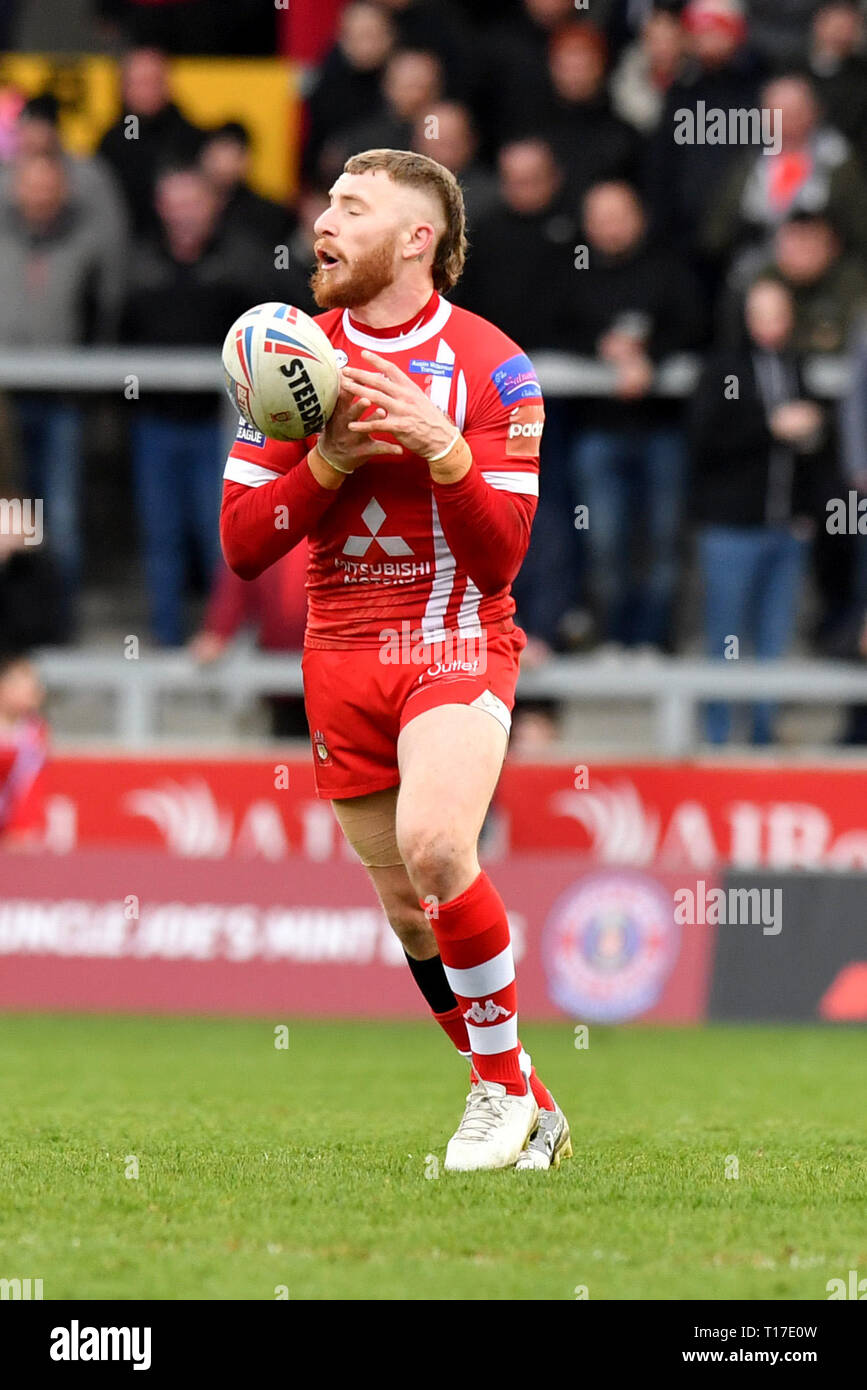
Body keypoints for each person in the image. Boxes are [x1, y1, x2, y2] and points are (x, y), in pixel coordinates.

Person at [220, 148, 570, 1172]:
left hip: (455, 637)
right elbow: (245, 543)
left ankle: (498, 1091)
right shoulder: (287, 353)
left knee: (435, 845)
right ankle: (533, 1100)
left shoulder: (497, 365)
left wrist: (443, 448)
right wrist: (331, 458)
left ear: (416, 239)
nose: (323, 221)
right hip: (339, 654)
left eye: (352, 206)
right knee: (416, 921)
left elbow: (503, 553)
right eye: (328, 201)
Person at [566, 181, 707, 651]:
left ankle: (652, 643)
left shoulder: (668, 268)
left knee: (664, 542)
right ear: (588, 223)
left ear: (639, 216)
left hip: (661, 430)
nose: (610, 226)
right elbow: (546, 324)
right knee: (604, 541)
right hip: (598, 431)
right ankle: (612, 640)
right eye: (599, 216)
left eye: (619, 214)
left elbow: (695, 326)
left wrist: (650, 357)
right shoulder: (575, 268)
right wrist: (598, 349)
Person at [688, 278, 829, 744]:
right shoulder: (722, 368)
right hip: (733, 529)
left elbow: (809, 449)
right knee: (725, 638)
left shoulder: (795, 366)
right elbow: (706, 441)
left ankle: (763, 740)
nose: (770, 324)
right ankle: (718, 739)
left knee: (775, 642)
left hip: (786, 527)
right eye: (761, 313)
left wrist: (807, 512)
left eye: (779, 313)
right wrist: (771, 428)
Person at [122, 166, 256, 646]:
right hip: (155, 423)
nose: (183, 215)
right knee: (162, 538)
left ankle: (223, 645)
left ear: (212, 205)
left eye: (192, 203)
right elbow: (119, 335)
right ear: (160, 208)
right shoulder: (139, 264)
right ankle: (166, 645)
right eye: (174, 203)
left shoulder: (238, 264)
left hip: (221, 427)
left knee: (220, 535)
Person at [0, 153, 126, 618]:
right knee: (12, 511)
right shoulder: (2, 235)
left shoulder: (86, 242)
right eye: (30, 184)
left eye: (47, 185)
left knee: (62, 514)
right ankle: (18, 623)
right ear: (17, 189)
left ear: (63, 191)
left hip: (63, 399)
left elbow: (103, 313)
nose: (38, 194)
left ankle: (59, 621)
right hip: (6, 402)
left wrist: (90, 381)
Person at [98, 48, 204, 234]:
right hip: (129, 240)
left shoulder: (190, 138)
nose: (147, 91)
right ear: (124, 88)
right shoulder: (114, 141)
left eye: (153, 82)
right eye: (139, 83)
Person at [199, 122, 294, 252]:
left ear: (246, 160)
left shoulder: (269, 215)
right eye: (218, 152)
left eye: (231, 154)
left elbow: (282, 259)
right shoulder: (187, 207)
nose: (222, 163)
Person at [0, 649, 49, 849]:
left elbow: (29, 784)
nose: (34, 692)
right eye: (23, 686)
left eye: (35, 687)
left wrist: (22, 828)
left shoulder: (35, 732)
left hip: (11, 827)